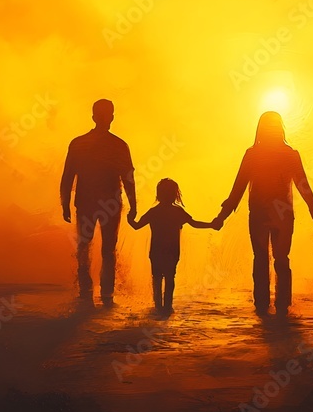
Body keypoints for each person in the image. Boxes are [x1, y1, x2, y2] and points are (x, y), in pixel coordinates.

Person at [213, 111, 313, 316]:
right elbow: (304, 187)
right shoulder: (289, 154)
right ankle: (282, 306)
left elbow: (238, 189)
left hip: (260, 214)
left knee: (261, 258)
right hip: (282, 215)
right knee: (281, 258)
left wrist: (221, 217)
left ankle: (262, 305)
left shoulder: (253, 154)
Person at [60, 99, 137, 308]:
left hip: (96, 202)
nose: (106, 118)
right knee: (95, 248)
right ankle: (99, 294)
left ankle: (97, 294)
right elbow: (68, 175)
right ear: (95, 117)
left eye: (107, 114)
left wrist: (65, 203)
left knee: (94, 248)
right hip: (100, 202)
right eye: (104, 114)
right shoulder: (110, 144)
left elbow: (127, 177)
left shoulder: (86, 143)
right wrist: (64, 203)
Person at [130, 178, 218, 314]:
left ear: (158, 194)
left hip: (156, 251)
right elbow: (194, 223)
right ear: (175, 194)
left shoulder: (154, 212)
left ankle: (158, 307)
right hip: (172, 251)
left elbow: (136, 226)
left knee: (157, 278)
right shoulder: (177, 212)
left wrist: (130, 217)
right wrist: (212, 225)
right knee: (170, 277)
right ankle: (167, 308)